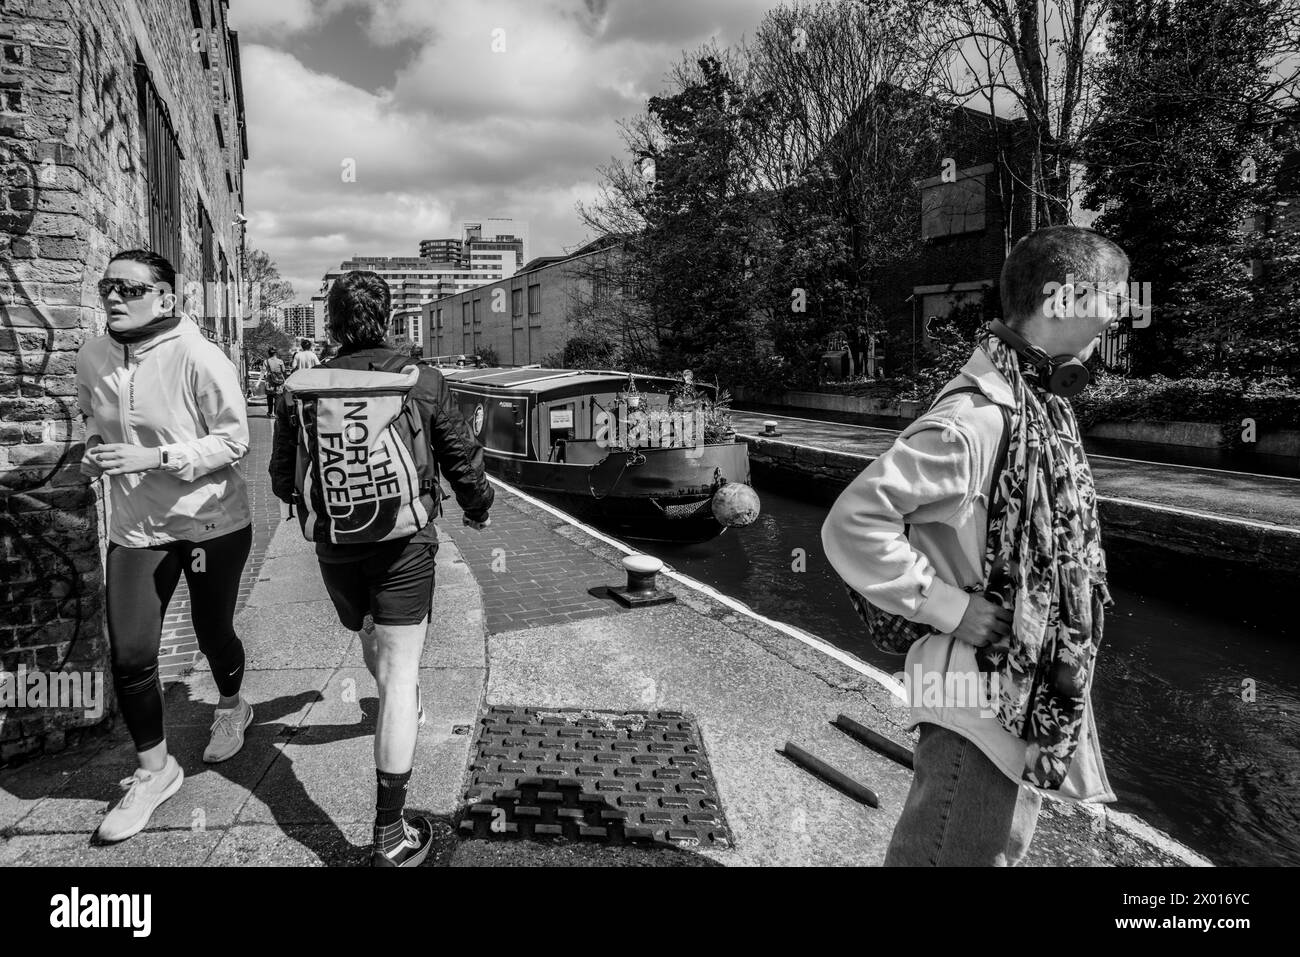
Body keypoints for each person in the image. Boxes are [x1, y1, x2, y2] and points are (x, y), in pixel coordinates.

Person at [822, 225, 1127, 866]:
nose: (1120, 312)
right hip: (979, 687)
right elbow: (850, 523)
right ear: (1063, 299)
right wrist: (950, 609)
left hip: (1017, 683)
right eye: (1111, 297)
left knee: (987, 847)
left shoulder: (1031, 403)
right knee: (956, 854)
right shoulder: (977, 420)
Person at [269, 270, 494, 867]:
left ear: (331, 324)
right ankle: (391, 834)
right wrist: (477, 508)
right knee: (401, 675)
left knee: (368, 631)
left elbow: (279, 478)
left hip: (336, 546)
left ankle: (396, 699)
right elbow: (458, 456)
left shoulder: (300, 386)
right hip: (404, 543)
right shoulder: (419, 380)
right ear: (390, 317)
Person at [77, 249, 254, 843]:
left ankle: (232, 705)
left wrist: (157, 457)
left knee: (212, 631)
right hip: (135, 531)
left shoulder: (200, 357)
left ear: (165, 298)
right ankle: (156, 769)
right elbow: (93, 422)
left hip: (209, 525)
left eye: (128, 287)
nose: (113, 297)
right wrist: (90, 453)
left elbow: (235, 441)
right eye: (107, 286)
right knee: (130, 654)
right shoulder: (93, 357)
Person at [262, 348, 286, 418]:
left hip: (269, 382)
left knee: (270, 397)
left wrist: (259, 381)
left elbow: (263, 371)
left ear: (269, 354)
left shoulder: (266, 361)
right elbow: (283, 371)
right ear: (275, 353)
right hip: (279, 382)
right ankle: (276, 413)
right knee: (278, 397)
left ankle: (270, 412)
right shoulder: (280, 361)